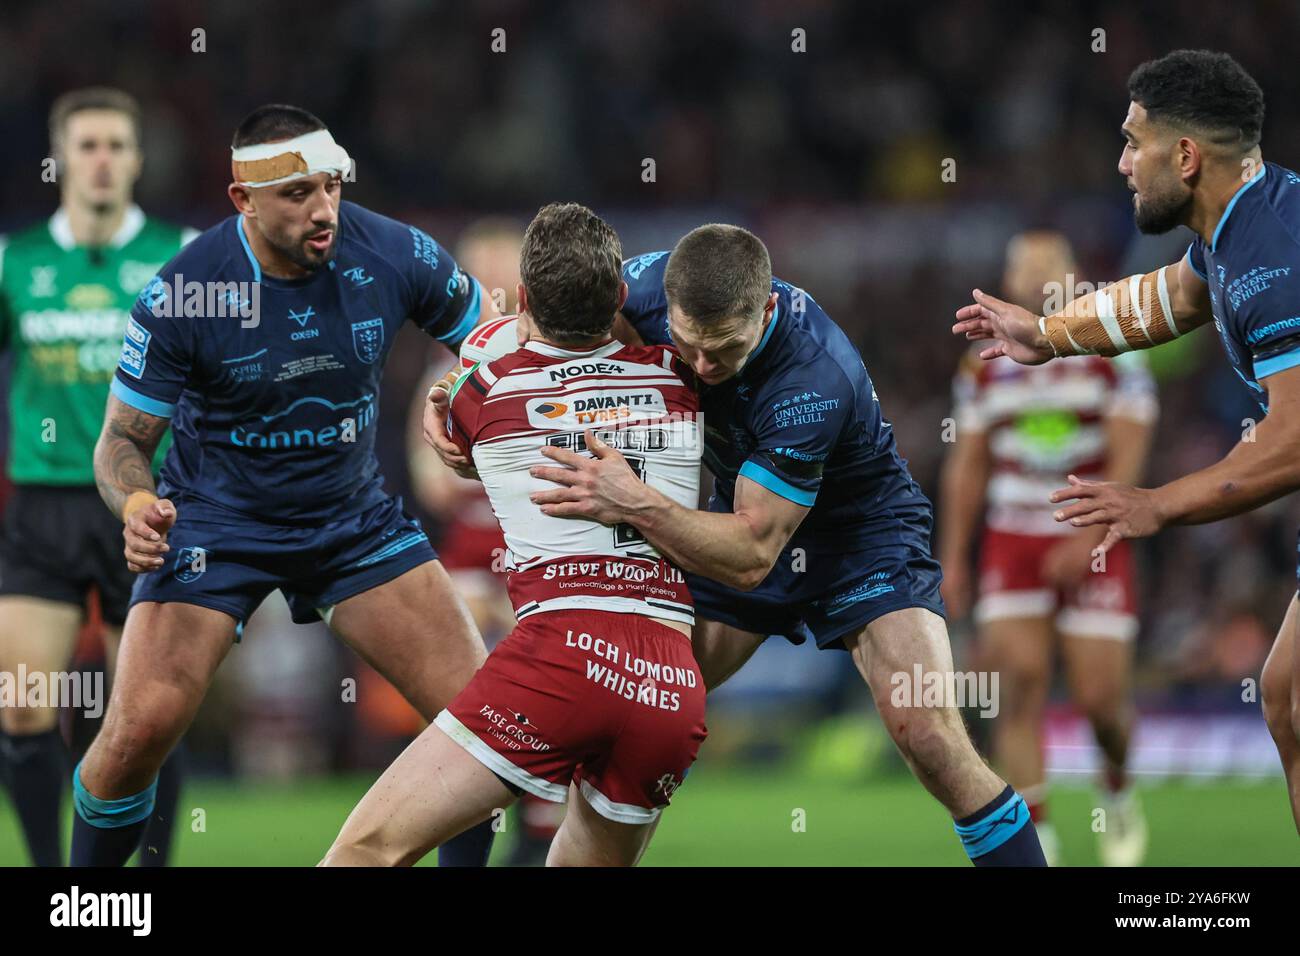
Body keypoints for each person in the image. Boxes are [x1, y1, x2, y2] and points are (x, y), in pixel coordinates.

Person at [429, 224, 1048, 865]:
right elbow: (528, 325)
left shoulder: (812, 377)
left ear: (767, 311)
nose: (701, 368)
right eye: (689, 346)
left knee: (930, 738)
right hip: (736, 515)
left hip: (858, 539)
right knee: (626, 702)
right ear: (662, 305)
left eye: (723, 351)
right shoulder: (639, 288)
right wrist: (451, 389)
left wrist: (633, 498)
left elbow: (752, 556)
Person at [75, 104, 496, 866]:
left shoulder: (394, 252)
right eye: (297, 194)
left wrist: (457, 393)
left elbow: (488, 337)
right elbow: (121, 443)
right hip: (212, 527)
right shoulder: (187, 291)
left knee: (486, 726)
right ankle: (90, 910)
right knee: (134, 736)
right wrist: (137, 504)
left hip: (351, 521)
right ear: (243, 200)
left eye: (330, 187)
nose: (324, 209)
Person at [953, 49, 1300, 833]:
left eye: (1131, 140)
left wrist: (1157, 504)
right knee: (1289, 699)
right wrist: (1045, 333)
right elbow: (1165, 299)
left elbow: (1294, 437)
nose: (1121, 162)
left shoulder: (1273, 255)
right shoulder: (1236, 235)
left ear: (1184, 156)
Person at [323, 202, 706, 866]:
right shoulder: (682, 380)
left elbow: (466, 388)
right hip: (669, 688)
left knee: (368, 849)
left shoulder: (489, 388)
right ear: (618, 295)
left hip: (562, 656)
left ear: (523, 296)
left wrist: (443, 396)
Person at [0, 87, 194, 866]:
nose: (103, 160)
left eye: (117, 144)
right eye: (87, 146)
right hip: (41, 508)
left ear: (139, 160)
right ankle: (54, 882)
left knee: (145, 720)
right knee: (20, 709)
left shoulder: (185, 255)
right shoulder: (17, 261)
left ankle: (141, 885)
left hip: (146, 508)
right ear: (61, 161)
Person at [940, 230, 1158, 865]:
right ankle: (1043, 843)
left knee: (1099, 700)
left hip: (1095, 531)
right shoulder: (982, 362)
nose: (1037, 282)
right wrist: (953, 557)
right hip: (1012, 536)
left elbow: (1131, 448)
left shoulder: (1112, 347)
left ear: (1071, 277)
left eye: (1048, 271)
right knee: (1016, 688)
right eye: (1026, 271)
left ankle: (1117, 791)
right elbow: (968, 465)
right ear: (1009, 281)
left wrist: (1089, 532)